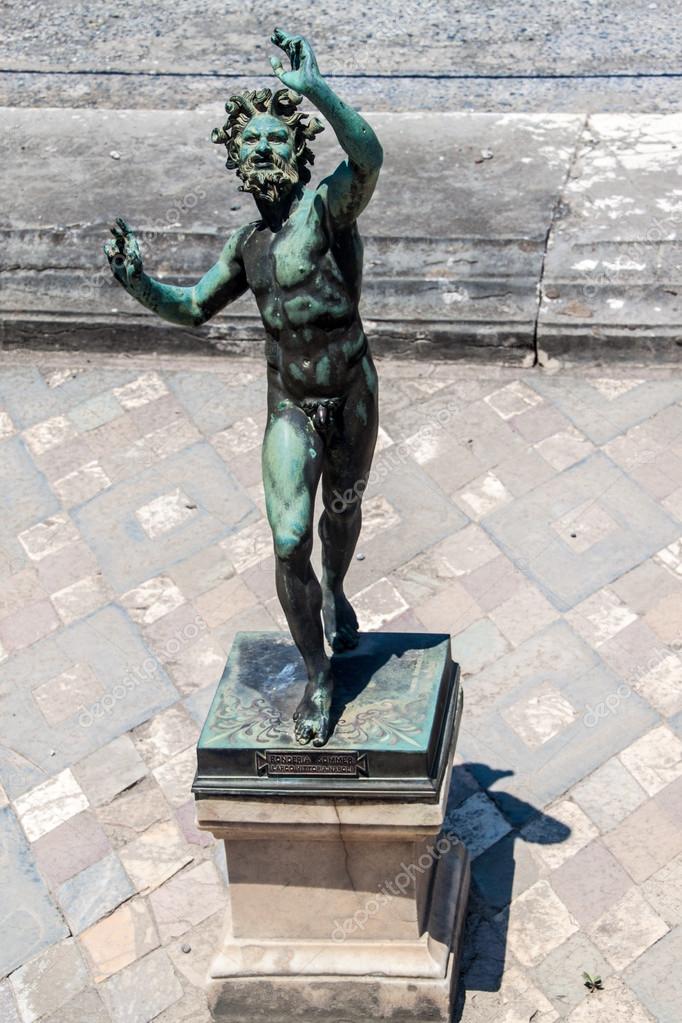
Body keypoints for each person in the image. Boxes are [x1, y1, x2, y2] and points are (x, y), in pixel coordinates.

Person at [105, 28, 383, 747]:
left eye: (273, 139)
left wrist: (316, 89)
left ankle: (339, 587)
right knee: (289, 537)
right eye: (248, 143)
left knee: (341, 518)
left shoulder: (328, 210)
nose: (261, 150)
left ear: (297, 150)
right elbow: (195, 306)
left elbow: (370, 157)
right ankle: (319, 674)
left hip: (350, 392)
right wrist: (139, 284)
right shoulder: (247, 248)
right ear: (235, 160)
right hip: (290, 404)